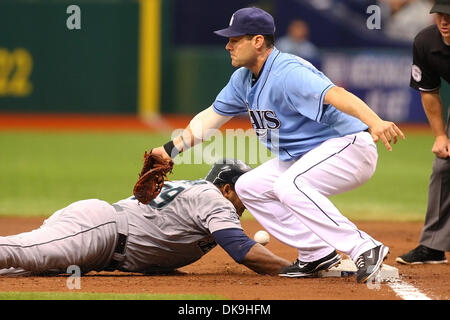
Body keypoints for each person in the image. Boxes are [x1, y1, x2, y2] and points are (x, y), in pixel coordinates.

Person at [150, 7, 405, 283]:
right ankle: (316, 252)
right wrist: (169, 149)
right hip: (308, 155)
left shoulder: (288, 72)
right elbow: (210, 118)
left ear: (258, 41)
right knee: (249, 186)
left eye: (235, 39)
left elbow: (336, 94)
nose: (228, 45)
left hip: (349, 146)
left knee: (289, 185)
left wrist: (375, 121)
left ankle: (365, 247)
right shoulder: (243, 79)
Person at [0, 159, 291, 276]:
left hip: (99, 242)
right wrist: (292, 269)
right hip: (100, 231)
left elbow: (164, 239)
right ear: (227, 188)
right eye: (243, 191)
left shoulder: (201, 196)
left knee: (18, 271)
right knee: (22, 251)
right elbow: (241, 250)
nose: (248, 200)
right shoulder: (215, 201)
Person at [396, 0, 450, 265]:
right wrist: (441, 136)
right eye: (440, 14)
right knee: (443, 167)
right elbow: (429, 92)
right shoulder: (426, 42)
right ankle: (433, 246)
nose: (444, 21)